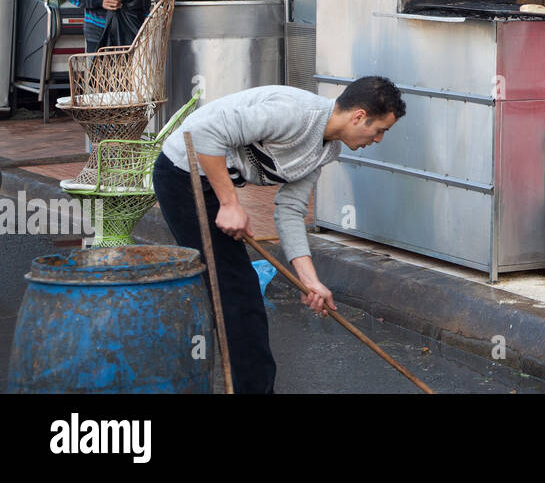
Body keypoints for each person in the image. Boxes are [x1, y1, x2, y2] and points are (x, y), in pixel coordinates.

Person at [152, 77, 406, 394]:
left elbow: (289, 209)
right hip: (181, 172)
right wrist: (230, 204)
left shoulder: (327, 149)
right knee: (237, 294)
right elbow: (204, 134)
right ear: (358, 116)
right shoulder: (294, 114)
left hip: (211, 181)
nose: (379, 139)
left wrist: (309, 280)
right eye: (380, 129)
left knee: (233, 292)